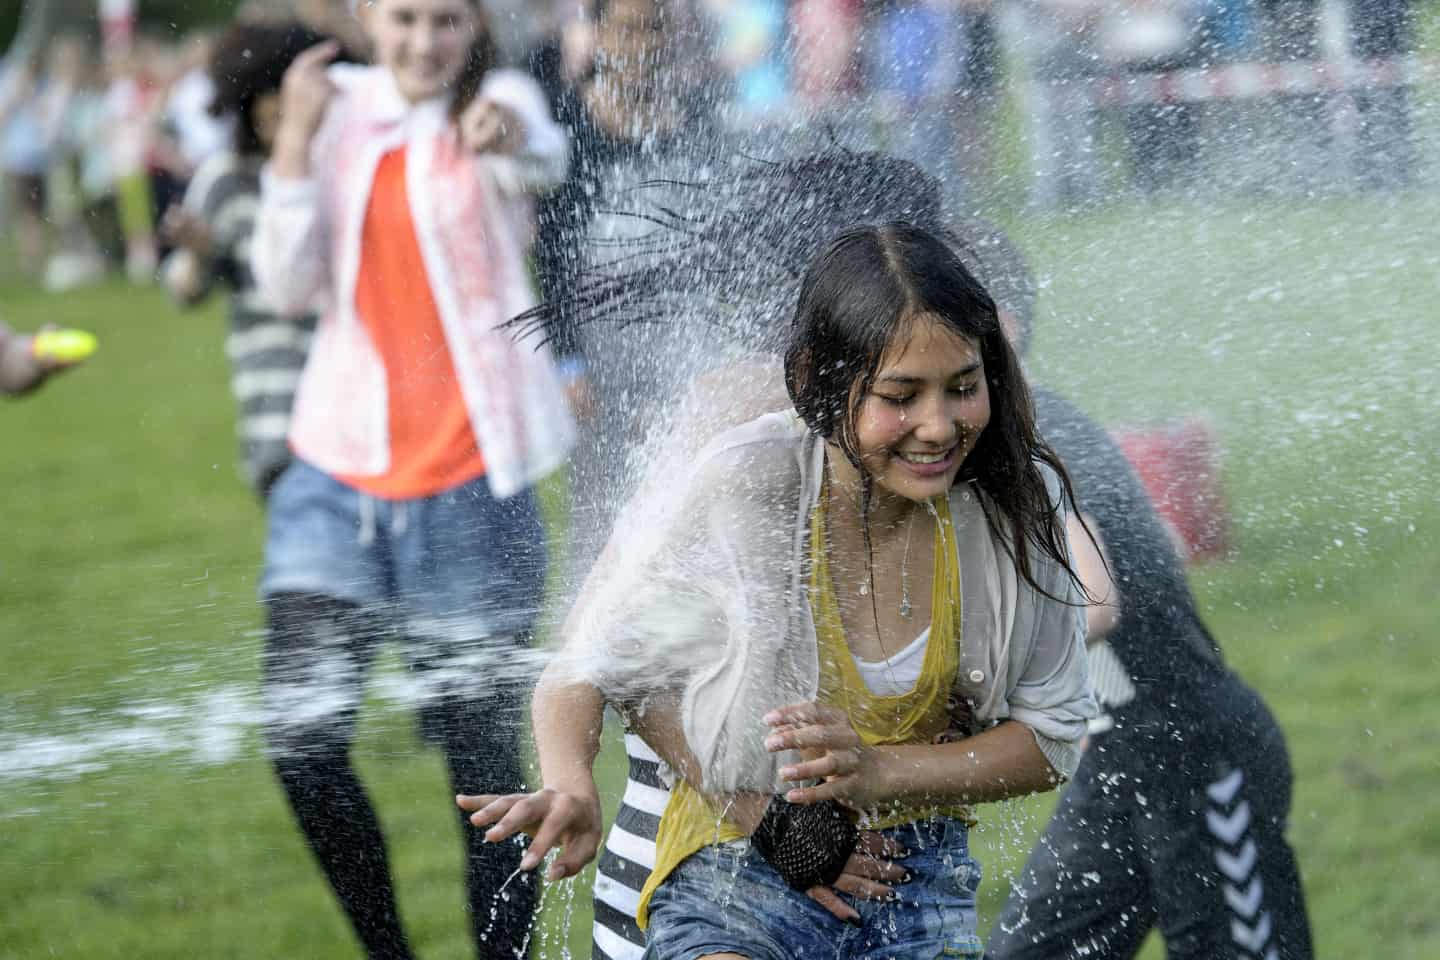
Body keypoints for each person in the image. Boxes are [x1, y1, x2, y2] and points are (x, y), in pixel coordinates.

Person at [462, 219, 1097, 958]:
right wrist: (571, 780)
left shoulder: (1012, 505)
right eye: (901, 395)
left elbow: (1052, 738)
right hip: (735, 875)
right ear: (818, 381)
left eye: (962, 388)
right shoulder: (750, 482)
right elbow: (597, 660)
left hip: (913, 886)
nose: (937, 425)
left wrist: (879, 771)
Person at [249, 0, 574, 954]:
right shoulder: (332, 107)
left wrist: (507, 140)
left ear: (473, 25)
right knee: (301, 744)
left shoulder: (499, 97)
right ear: (365, 17)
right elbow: (280, 285)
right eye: (403, 18)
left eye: (445, 20)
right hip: (335, 472)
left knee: (481, 775)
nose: (424, 41)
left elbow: (541, 156)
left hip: (472, 483)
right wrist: (297, 142)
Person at [961, 221, 1315, 960]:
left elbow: (1092, 600)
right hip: (1120, 758)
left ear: (1004, 328)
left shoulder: (1034, 431)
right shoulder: (993, 440)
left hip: (1198, 753)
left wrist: (971, 679)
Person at [159, 21, 333, 500]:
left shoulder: (341, 169)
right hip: (278, 414)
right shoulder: (227, 180)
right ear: (248, 109)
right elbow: (183, 291)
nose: (292, 130)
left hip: (352, 407)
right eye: (277, 116)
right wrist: (198, 253)